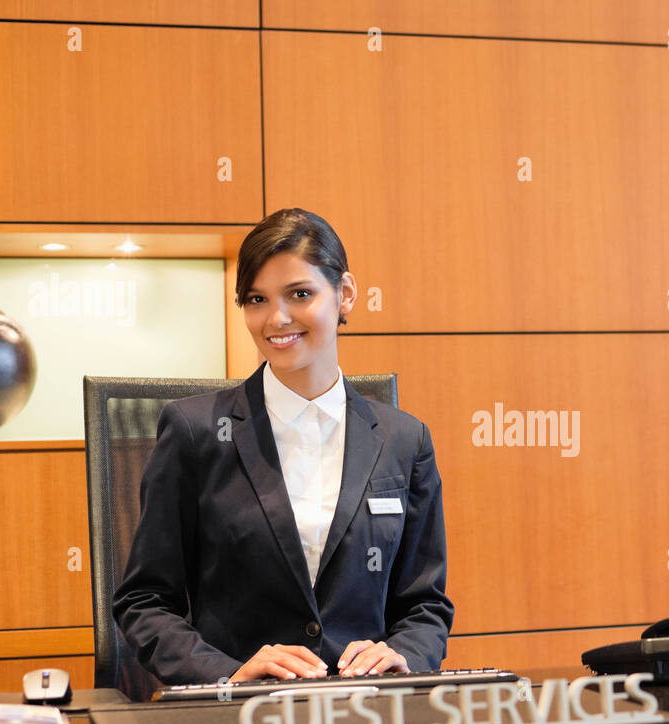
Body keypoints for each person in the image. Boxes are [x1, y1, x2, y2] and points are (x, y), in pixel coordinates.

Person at [112, 208, 454, 686]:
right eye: (257, 299)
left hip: (369, 712)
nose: (277, 318)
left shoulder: (405, 440)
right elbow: (144, 602)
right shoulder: (196, 432)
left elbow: (425, 604)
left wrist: (403, 654)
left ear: (346, 294)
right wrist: (228, 675)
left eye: (300, 294)